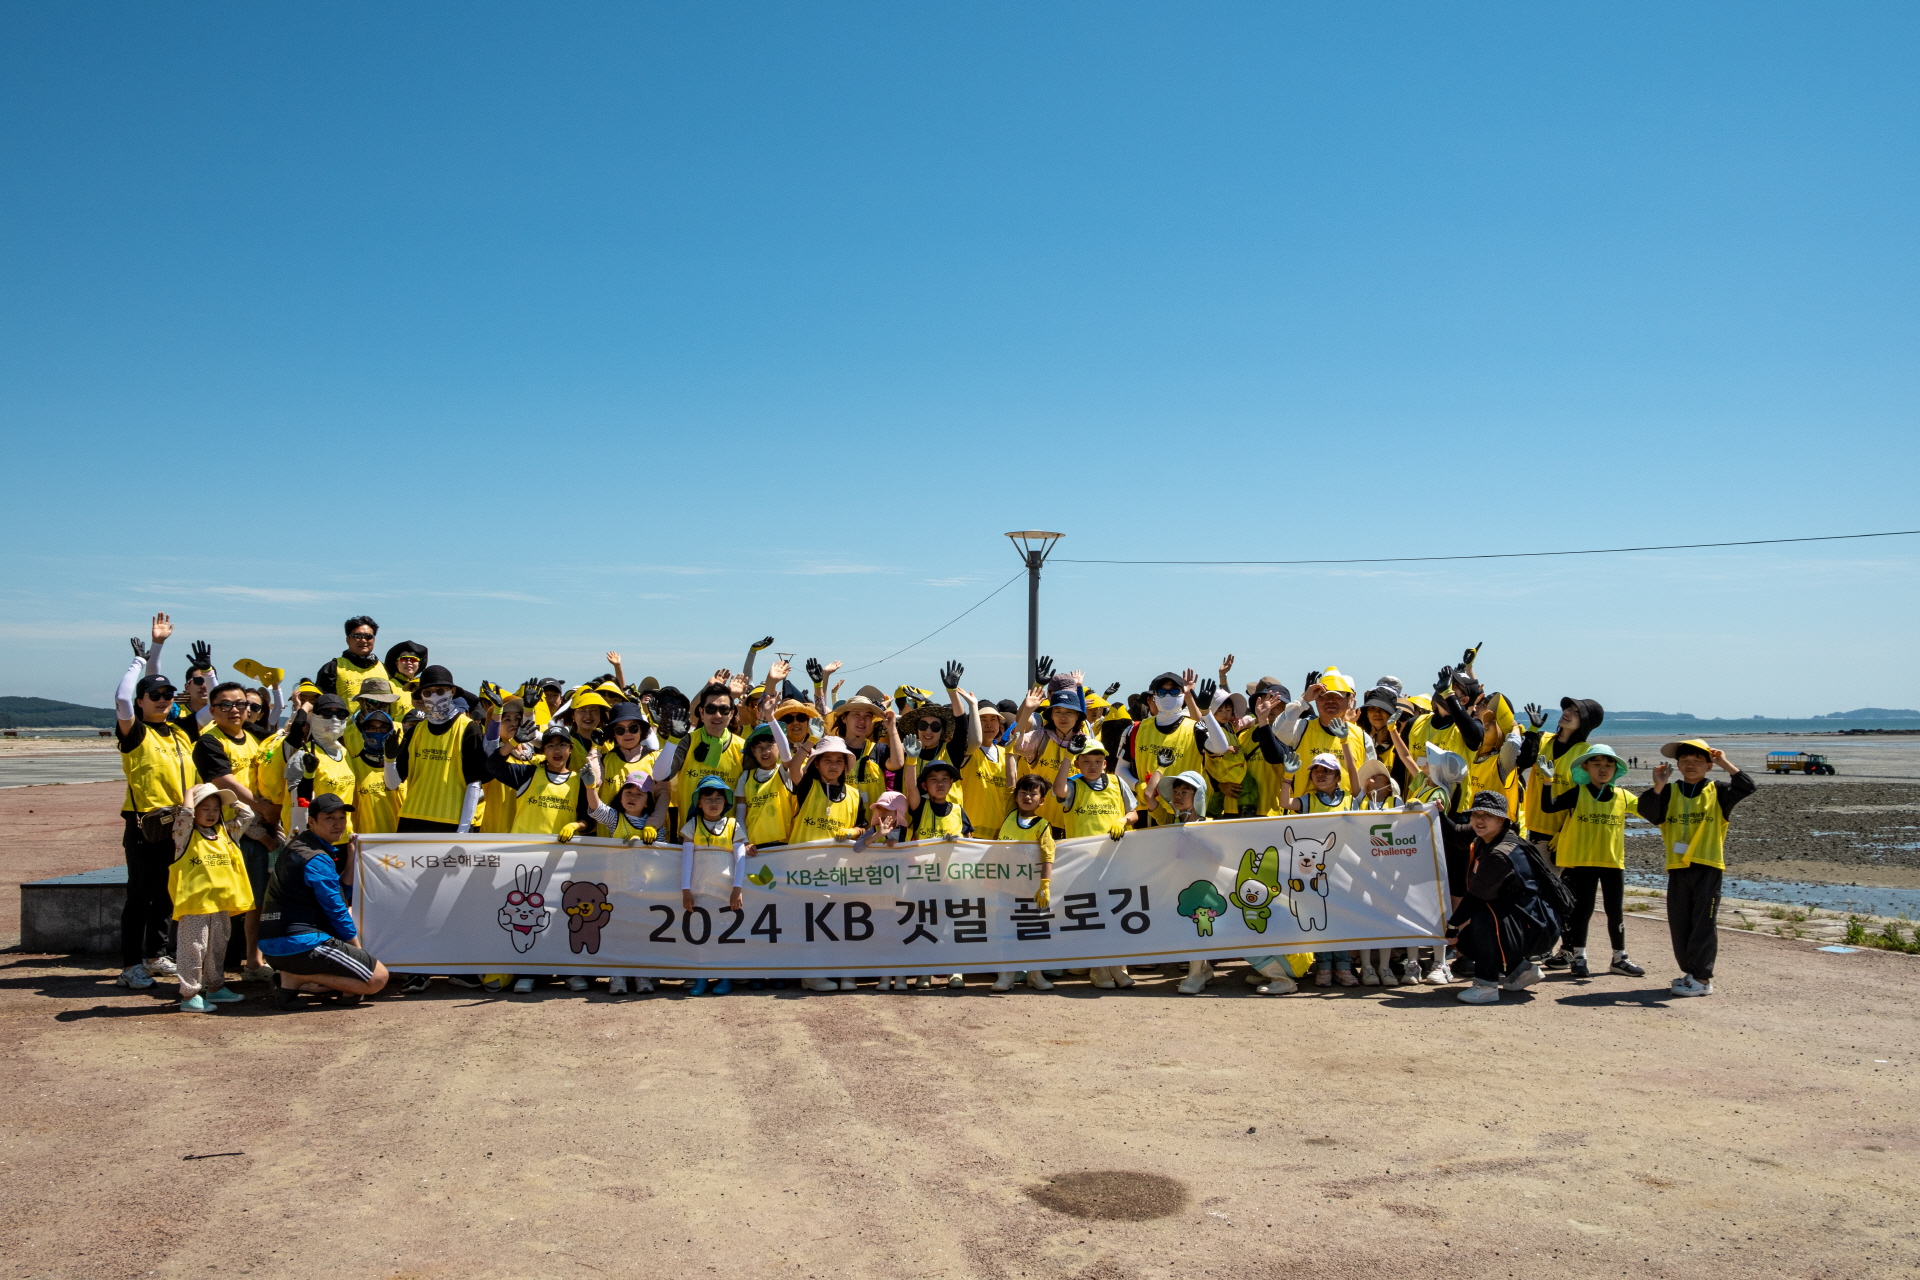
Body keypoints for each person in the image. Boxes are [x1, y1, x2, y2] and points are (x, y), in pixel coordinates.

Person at [1639, 739, 1755, 997]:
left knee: (1704, 923)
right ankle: (1690, 972)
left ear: (1708, 766)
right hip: (1678, 867)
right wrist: (1658, 785)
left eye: (1697, 761)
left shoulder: (1719, 790)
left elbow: (1746, 786)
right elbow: (1647, 811)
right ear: (1677, 765)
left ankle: (1703, 979)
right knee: (1680, 923)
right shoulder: (1670, 792)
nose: (1690, 765)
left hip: (1708, 865)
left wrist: (1724, 761)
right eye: (1685, 761)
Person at [114, 614, 193, 989]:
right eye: (154, 696)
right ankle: (131, 965)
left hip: (179, 823)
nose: (163, 700)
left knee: (167, 893)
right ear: (142, 701)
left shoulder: (179, 733)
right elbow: (121, 697)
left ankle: (156, 953)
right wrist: (143, 660)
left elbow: (213, 708)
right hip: (146, 824)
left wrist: (160, 649)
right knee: (141, 895)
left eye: (168, 695)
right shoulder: (136, 733)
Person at [258, 792, 390, 1009]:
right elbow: (337, 910)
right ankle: (296, 978)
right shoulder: (316, 858)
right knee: (377, 979)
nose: (338, 825)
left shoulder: (301, 845)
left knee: (356, 978)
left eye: (341, 818)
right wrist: (358, 953)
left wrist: (351, 858)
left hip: (273, 947)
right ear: (311, 821)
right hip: (300, 944)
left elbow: (339, 894)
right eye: (329, 818)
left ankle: (296, 981)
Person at [1534, 743, 1646, 979]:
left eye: (1608, 764)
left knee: (1615, 912)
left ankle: (1619, 958)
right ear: (1586, 767)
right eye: (1596, 764)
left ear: (1616, 769)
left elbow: (1651, 811)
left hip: (1613, 863)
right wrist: (1547, 782)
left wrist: (1660, 787)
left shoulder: (1622, 796)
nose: (1603, 769)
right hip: (1583, 863)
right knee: (1582, 912)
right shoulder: (1579, 792)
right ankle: (1579, 957)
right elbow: (1548, 806)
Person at [193, 679, 280, 980]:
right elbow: (223, 780)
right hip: (222, 834)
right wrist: (261, 805)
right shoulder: (209, 741)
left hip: (256, 832)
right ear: (213, 710)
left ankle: (254, 963)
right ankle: (209, 974)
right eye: (226, 705)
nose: (235, 710)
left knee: (256, 901)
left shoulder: (257, 736)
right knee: (220, 904)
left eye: (241, 704)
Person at [1444, 791, 1560, 1005]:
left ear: (1501, 819)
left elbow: (1478, 895)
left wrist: (1452, 925)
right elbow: (1455, 835)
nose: (1479, 820)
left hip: (1537, 928)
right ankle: (1521, 971)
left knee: (1480, 921)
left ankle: (1486, 985)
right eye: (1475, 814)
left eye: (1487, 815)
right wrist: (1435, 812)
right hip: (1526, 922)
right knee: (1471, 934)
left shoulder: (1500, 852)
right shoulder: (1489, 836)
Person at [166, 783, 256, 1012]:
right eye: (204, 808)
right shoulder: (183, 834)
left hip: (221, 903)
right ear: (194, 809)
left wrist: (229, 800)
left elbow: (248, 814)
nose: (211, 813)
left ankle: (215, 987)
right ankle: (189, 995)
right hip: (195, 904)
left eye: (215, 808)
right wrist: (189, 793)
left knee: (217, 948)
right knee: (193, 949)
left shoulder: (226, 832)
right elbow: (185, 815)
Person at [389, 665, 492, 832]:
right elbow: (393, 783)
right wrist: (389, 760)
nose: (434, 697)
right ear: (422, 696)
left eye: (440, 691)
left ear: (452, 691)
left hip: (452, 819)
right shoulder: (416, 731)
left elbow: (474, 782)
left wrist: (464, 828)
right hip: (412, 816)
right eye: (427, 693)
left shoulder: (468, 728)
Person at [680, 775, 748, 996]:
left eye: (719, 798)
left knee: (724, 936)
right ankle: (701, 978)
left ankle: (724, 977)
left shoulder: (733, 825)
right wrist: (686, 890)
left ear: (726, 802)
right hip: (700, 892)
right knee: (700, 936)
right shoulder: (692, 826)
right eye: (707, 798)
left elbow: (740, 858)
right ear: (698, 802)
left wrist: (737, 888)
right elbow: (687, 860)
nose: (713, 803)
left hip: (725, 892)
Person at [991, 773, 1056, 993]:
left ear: (1042, 800)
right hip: (1005, 888)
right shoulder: (1008, 816)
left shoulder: (1043, 825)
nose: (1027, 797)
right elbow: (1010, 780)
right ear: (1016, 796)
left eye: (1033, 794)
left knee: (1034, 932)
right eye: (1023, 793)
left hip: (1031, 891)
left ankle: (1035, 976)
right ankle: (1006, 976)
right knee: (1004, 931)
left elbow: (1048, 856)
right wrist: (1011, 753)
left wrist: (1044, 885)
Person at [315, 616, 388, 703]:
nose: (363, 640)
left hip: (378, 716)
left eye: (368, 637)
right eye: (358, 636)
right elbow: (322, 703)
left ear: (374, 640)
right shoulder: (332, 668)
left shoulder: (385, 669)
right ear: (348, 639)